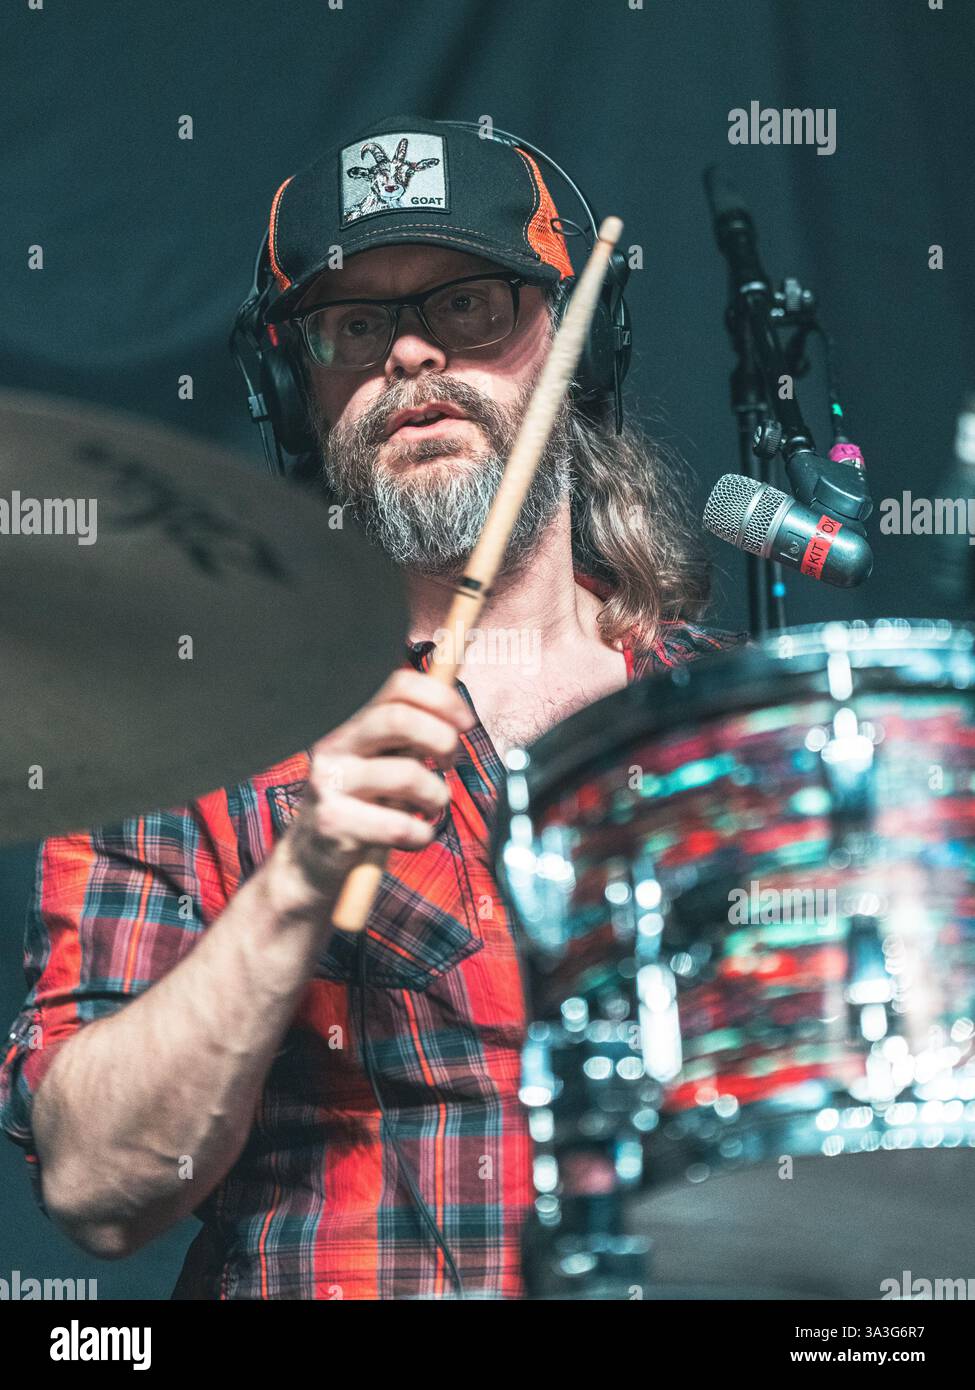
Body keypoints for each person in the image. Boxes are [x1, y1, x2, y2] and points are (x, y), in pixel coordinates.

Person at [0, 115, 745, 1299]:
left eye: (467, 307)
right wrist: (294, 883)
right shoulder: (197, 732)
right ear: (294, 390)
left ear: (577, 348)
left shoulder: (725, 721)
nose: (410, 357)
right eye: (355, 326)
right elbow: (96, 1186)